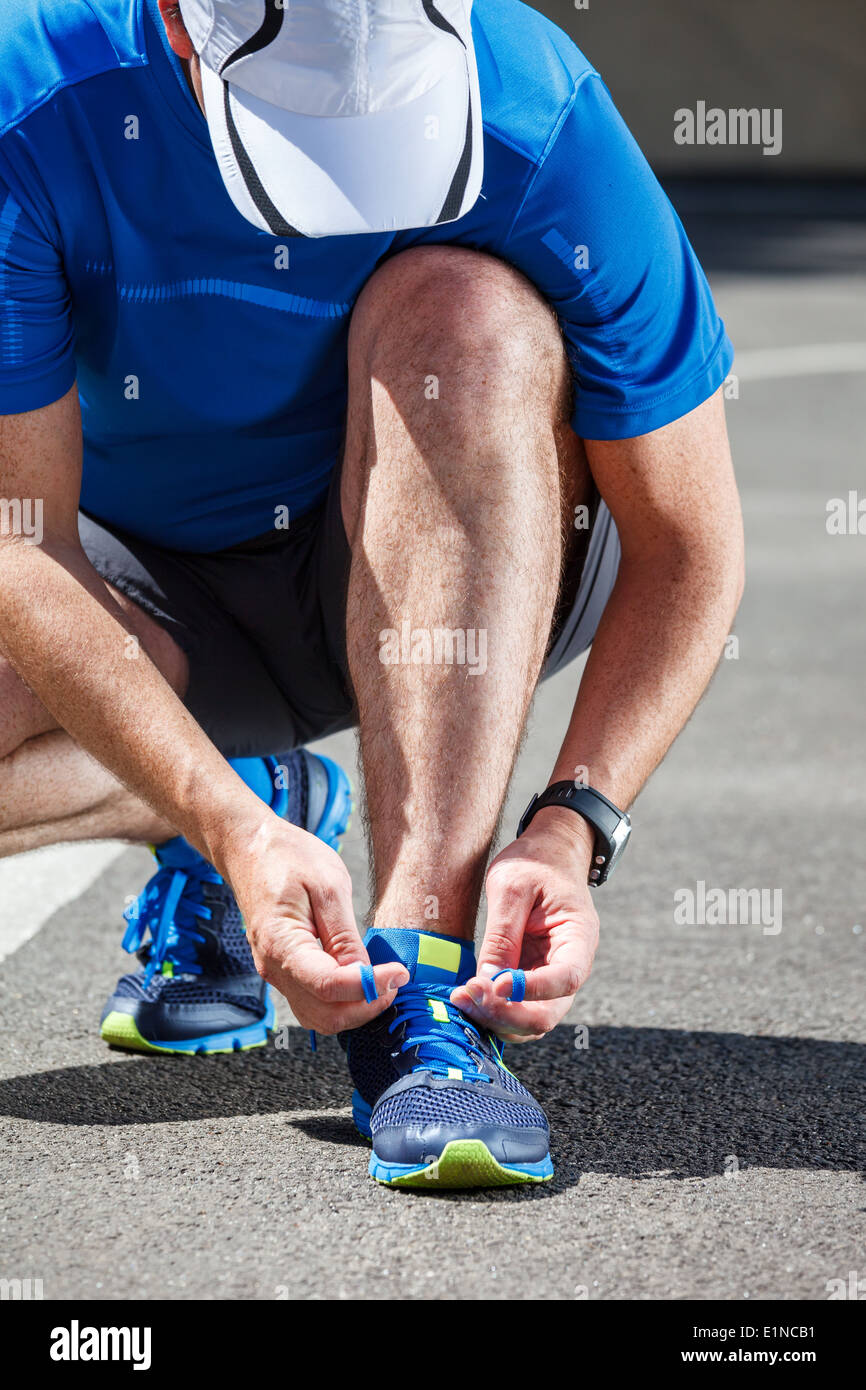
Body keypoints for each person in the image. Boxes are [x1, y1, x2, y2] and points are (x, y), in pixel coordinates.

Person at [0, 0, 743, 1188]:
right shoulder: (31, 91)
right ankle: (247, 796)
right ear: (186, 35)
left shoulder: (538, 112)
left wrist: (570, 824)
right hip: (146, 586)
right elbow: (19, 543)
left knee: (460, 308)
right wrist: (222, 823)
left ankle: (422, 974)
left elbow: (685, 542)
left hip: (450, 559)